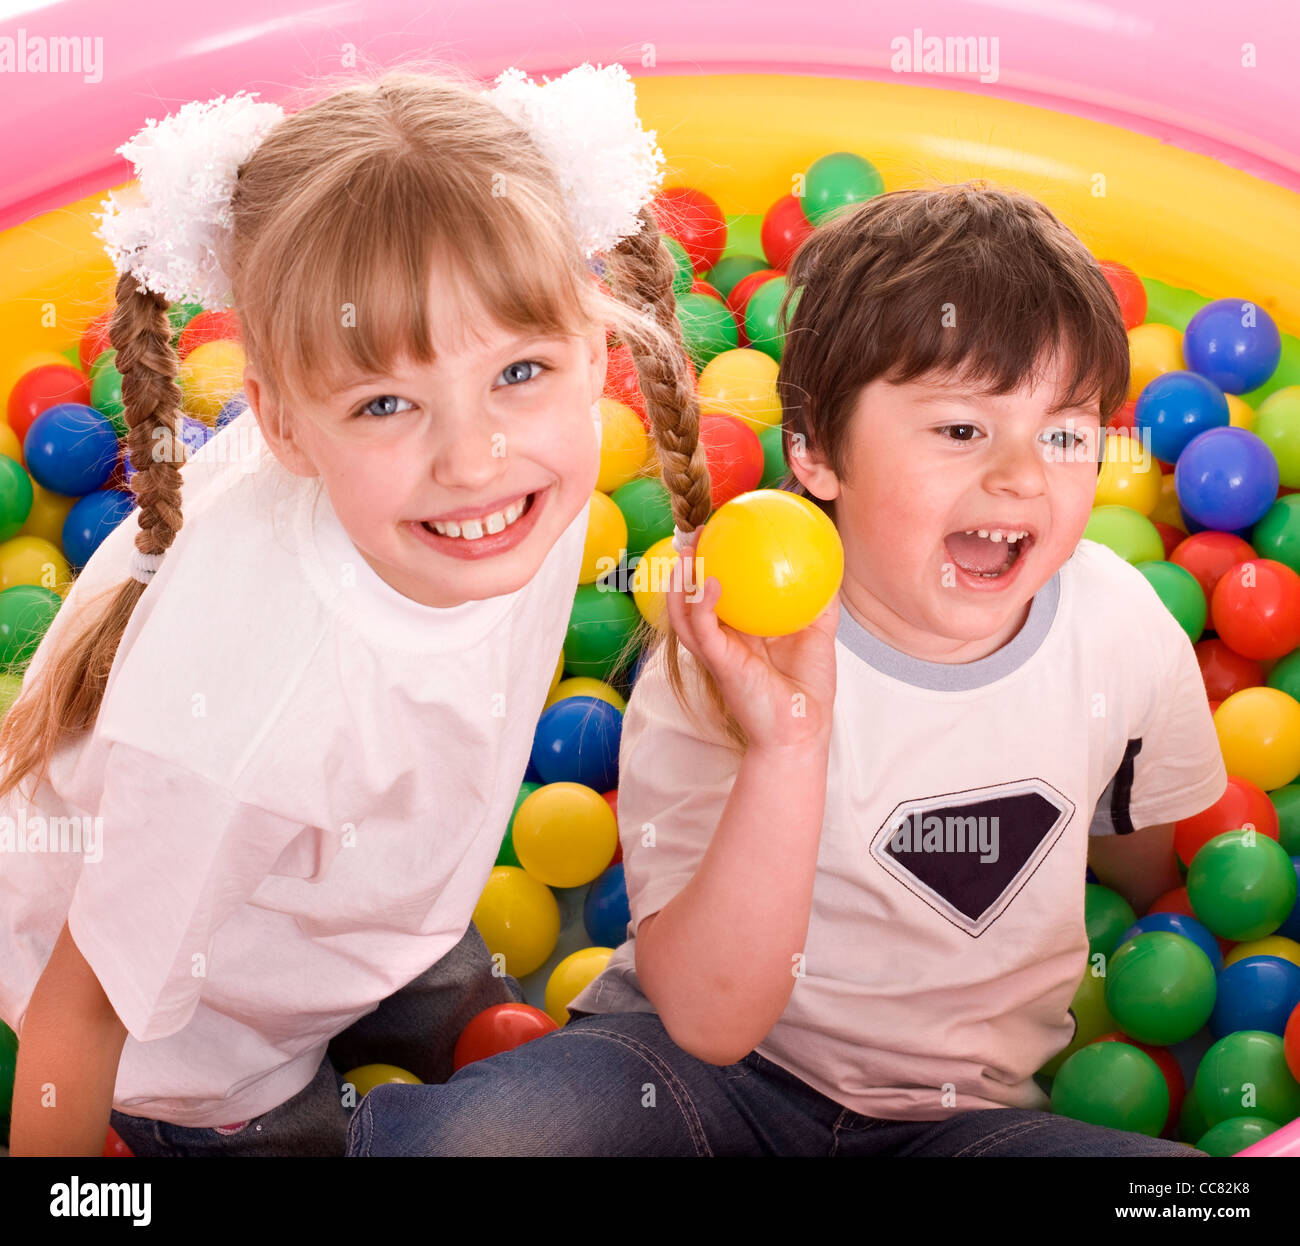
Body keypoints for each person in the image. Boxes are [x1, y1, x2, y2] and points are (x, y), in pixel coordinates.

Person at [346, 184, 1229, 1157]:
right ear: (815, 453)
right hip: (692, 1080)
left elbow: (1139, 857)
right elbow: (710, 1022)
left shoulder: (1120, 626)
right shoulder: (736, 645)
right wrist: (786, 745)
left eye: (1063, 433)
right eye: (959, 430)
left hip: (965, 1125)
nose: (1021, 475)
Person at [0, 61, 699, 1156]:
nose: (473, 456)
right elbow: (76, 1016)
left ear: (594, 348)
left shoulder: (517, 488)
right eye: (386, 403)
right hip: (197, 1033)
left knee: (496, 1040)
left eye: (519, 370)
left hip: (371, 894)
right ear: (280, 425)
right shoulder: (239, 710)